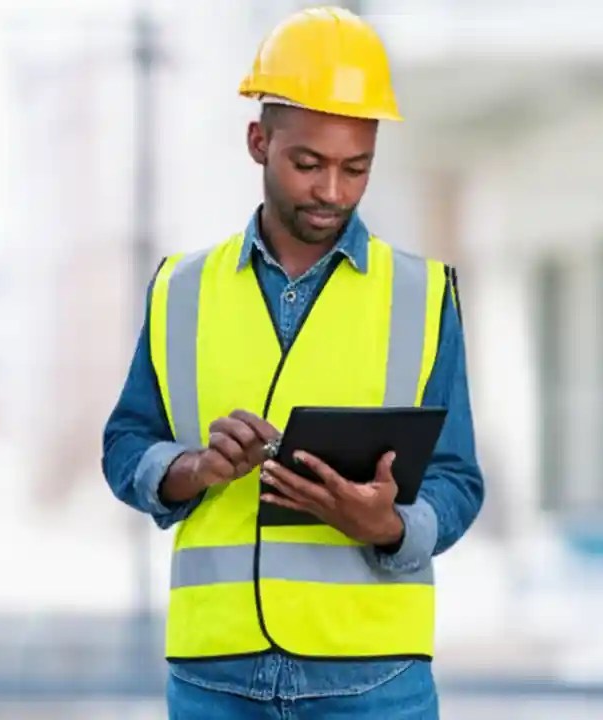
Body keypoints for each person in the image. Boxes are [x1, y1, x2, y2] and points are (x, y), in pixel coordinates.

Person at [100, 6, 485, 719]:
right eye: (307, 164)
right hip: (216, 677)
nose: (332, 191)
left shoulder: (423, 297)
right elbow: (125, 445)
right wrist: (194, 470)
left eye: (356, 168)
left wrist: (390, 527)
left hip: (372, 681)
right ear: (259, 141)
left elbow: (458, 480)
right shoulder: (181, 289)